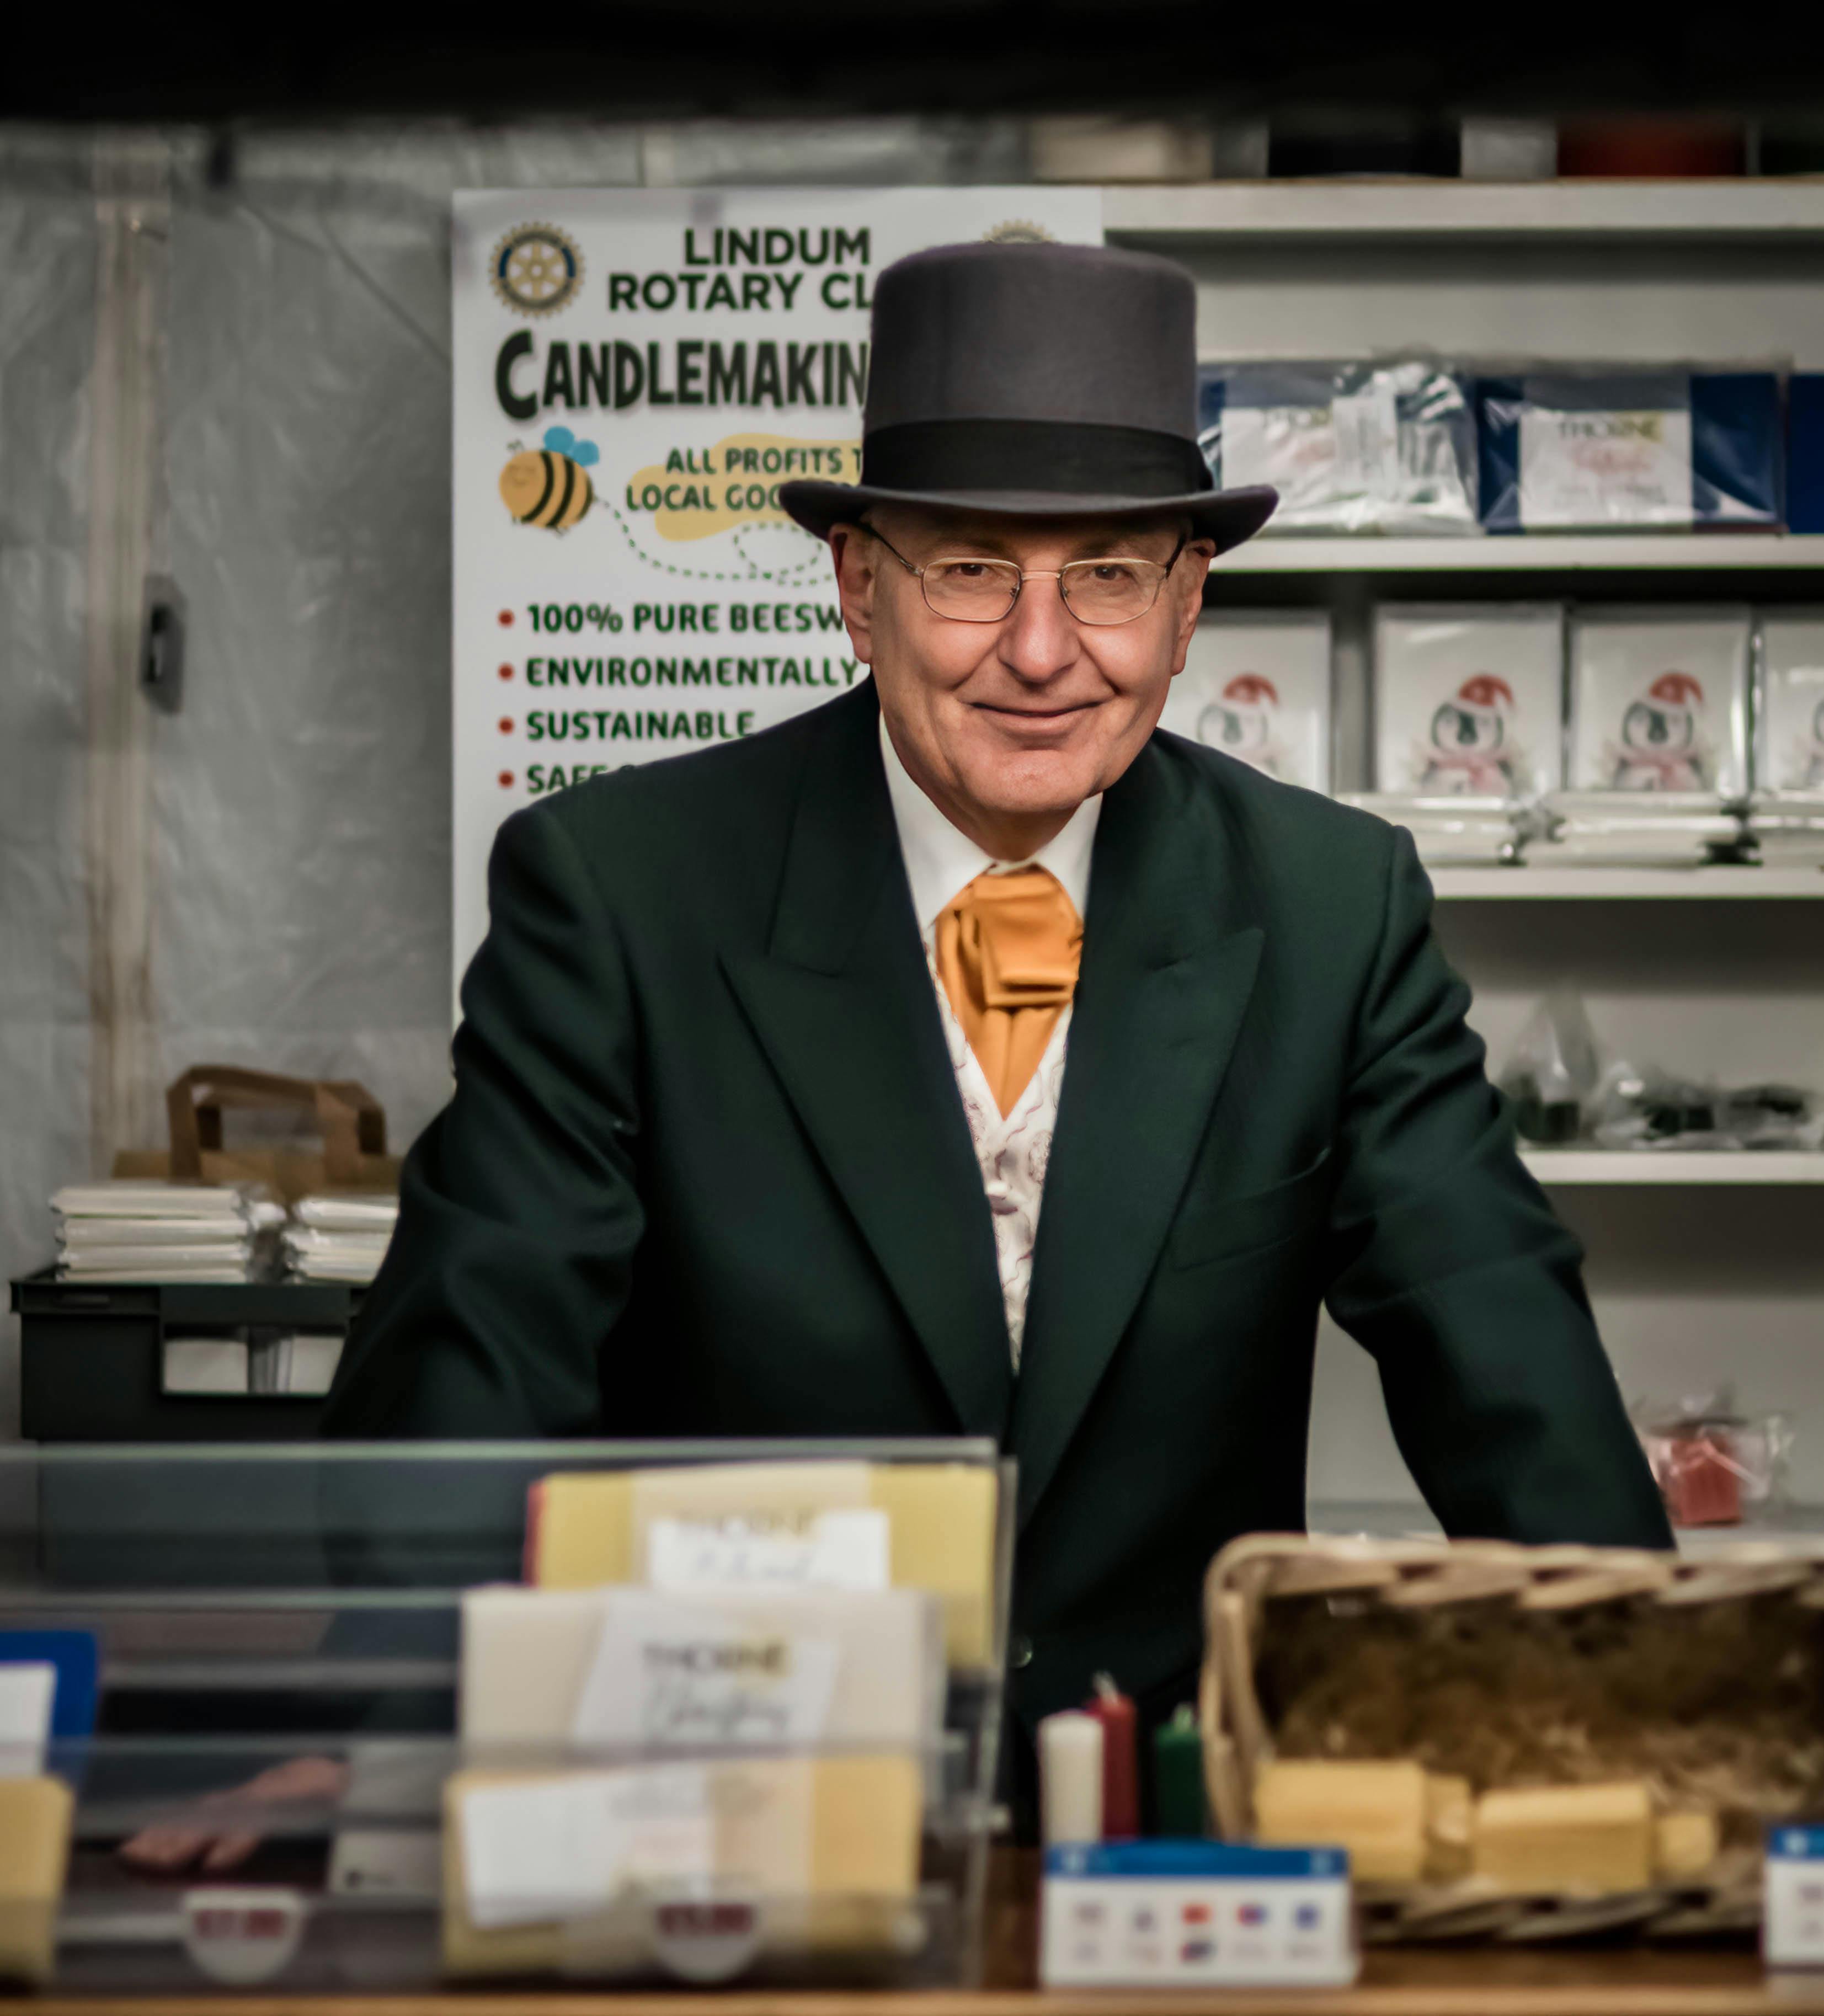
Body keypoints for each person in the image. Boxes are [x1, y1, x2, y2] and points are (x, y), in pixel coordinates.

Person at [324, 240, 1671, 1775]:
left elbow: (1498, 1349)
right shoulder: (622, 892)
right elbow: (478, 1352)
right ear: (857, 584)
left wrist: (1658, 1702)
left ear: (1185, 603)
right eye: (970, 568)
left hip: (1162, 1814)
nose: (1041, 654)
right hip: (733, 1784)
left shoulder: (1323, 907)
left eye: (1105, 574)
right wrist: (388, 1724)